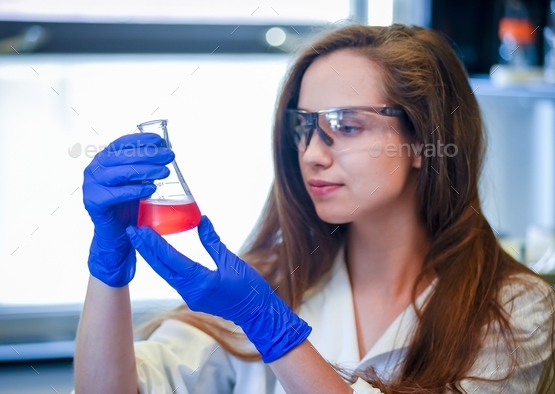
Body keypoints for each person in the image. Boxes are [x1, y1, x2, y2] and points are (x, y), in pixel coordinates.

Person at [72, 23, 555, 394]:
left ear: (423, 141)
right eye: (304, 126)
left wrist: (276, 332)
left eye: (345, 125)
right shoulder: (269, 281)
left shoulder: (515, 309)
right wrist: (109, 273)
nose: (312, 154)